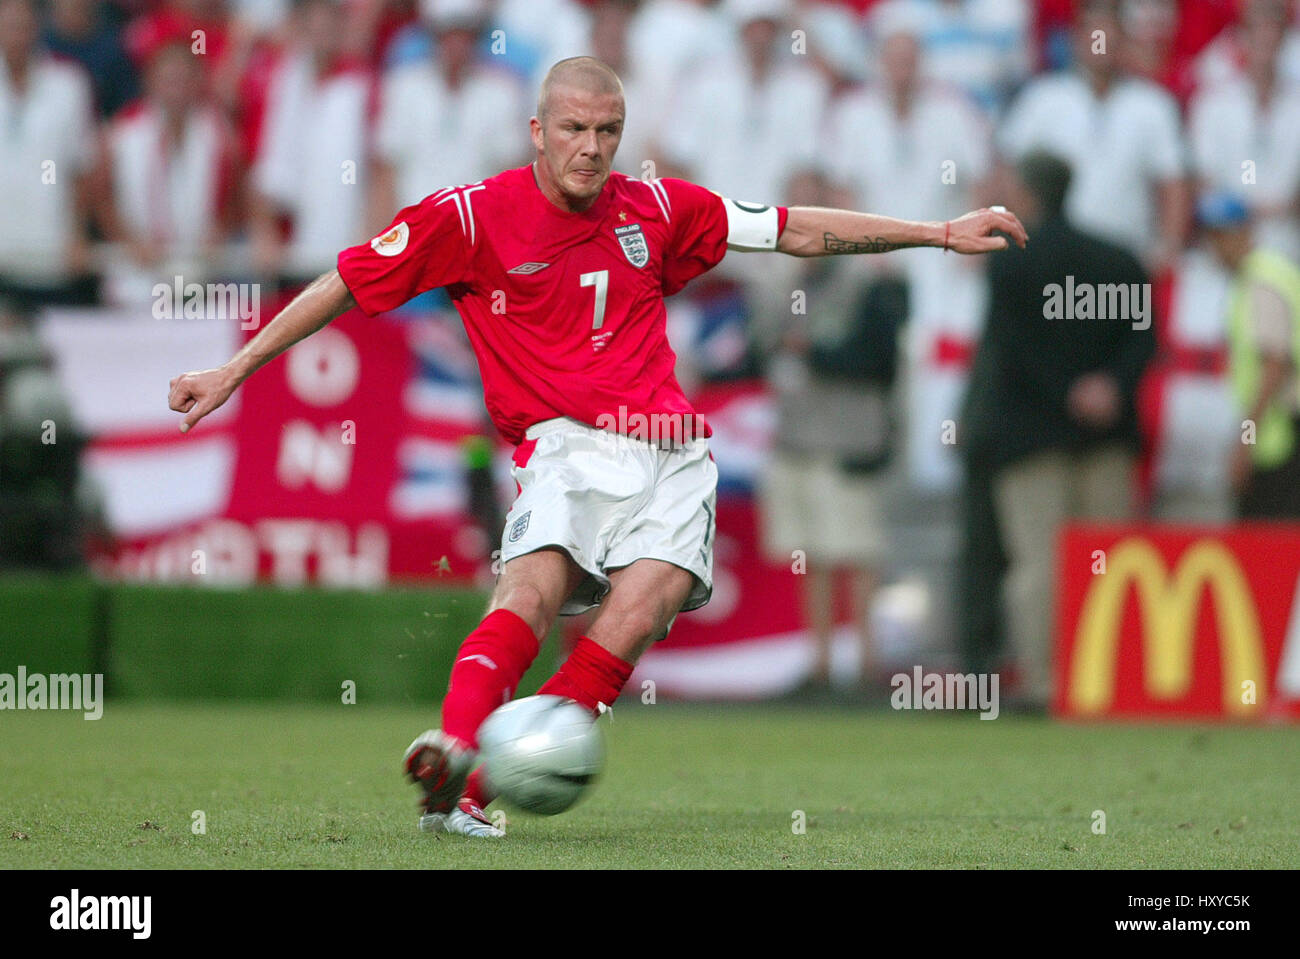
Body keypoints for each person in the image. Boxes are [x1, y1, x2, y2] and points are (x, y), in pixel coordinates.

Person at [167, 56, 1026, 837]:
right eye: (573, 129)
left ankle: (472, 787)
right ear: (537, 132)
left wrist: (937, 232)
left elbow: (793, 228)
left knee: (639, 612)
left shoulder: (657, 207)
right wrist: (235, 368)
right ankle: (456, 739)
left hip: (673, 453)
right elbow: (347, 282)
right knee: (533, 590)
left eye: (606, 130)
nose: (591, 147)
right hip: (566, 446)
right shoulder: (469, 217)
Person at [971, 151, 1154, 713]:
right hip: (1106, 436)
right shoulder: (1119, 259)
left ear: (1027, 195)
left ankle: (1046, 682)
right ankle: (1108, 680)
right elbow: (1143, 336)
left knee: (1038, 566)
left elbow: (1012, 350)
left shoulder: (1009, 263)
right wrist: (1110, 387)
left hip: (1031, 438)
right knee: (1113, 561)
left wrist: (1066, 393)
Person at [1198, 191, 1300, 519]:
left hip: (1282, 433)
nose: (1214, 245)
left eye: (1221, 234)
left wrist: (1245, 441)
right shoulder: (1262, 274)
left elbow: (1274, 363)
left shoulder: (1262, 280)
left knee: (1272, 540)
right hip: (1276, 429)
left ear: (1245, 232)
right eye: (1210, 235)